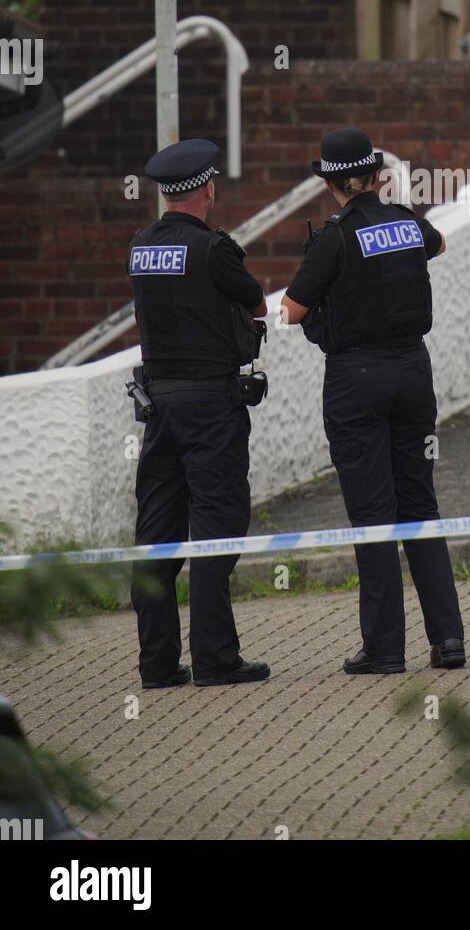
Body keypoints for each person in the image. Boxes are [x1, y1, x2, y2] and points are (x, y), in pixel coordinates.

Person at [280, 127, 465, 675]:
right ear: (378, 175)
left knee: (373, 515)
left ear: (332, 183)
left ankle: (385, 649)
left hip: (356, 380)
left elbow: (290, 310)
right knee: (420, 507)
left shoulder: (333, 238)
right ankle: (449, 641)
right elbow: (441, 243)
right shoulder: (407, 222)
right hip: (413, 371)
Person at [127, 138, 271, 688]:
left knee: (157, 535)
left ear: (166, 193)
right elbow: (257, 305)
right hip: (211, 406)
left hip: (158, 406)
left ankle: (158, 666)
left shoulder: (139, 246)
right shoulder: (214, 250)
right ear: (207, 189)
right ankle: (216, 659)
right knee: (216, 529)